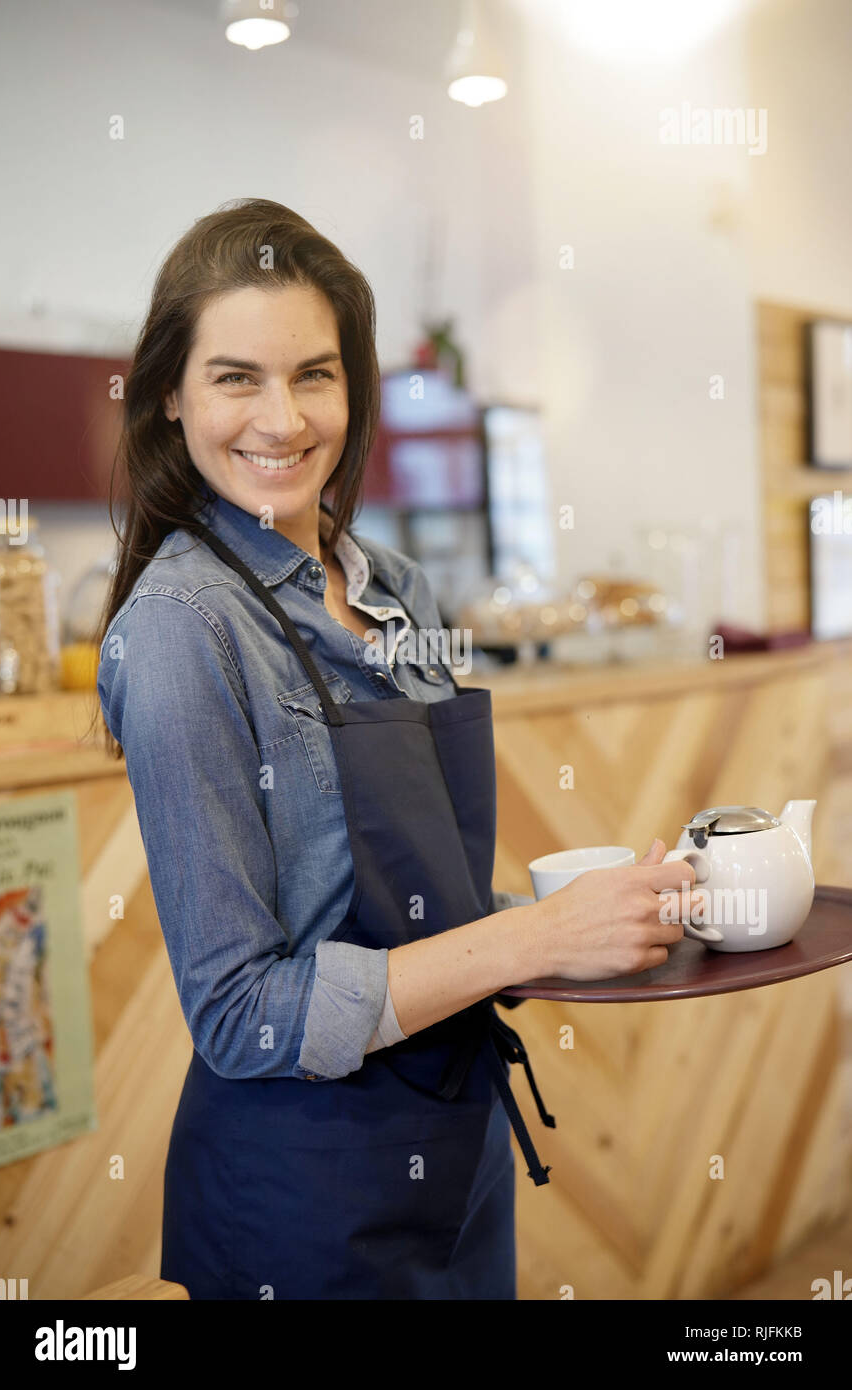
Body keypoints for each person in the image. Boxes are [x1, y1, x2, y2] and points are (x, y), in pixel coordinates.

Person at [95, 197, 695, 1301]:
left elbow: (416, 896)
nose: (282, 417)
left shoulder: (396, 588)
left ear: (354, 388)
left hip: (456, 1156)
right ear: (170, 396)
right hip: (306, 1207)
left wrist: (587, 913)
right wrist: (531, 940)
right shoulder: (184, 627)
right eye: (238, 377)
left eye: (315, 374)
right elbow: (240, 1011)